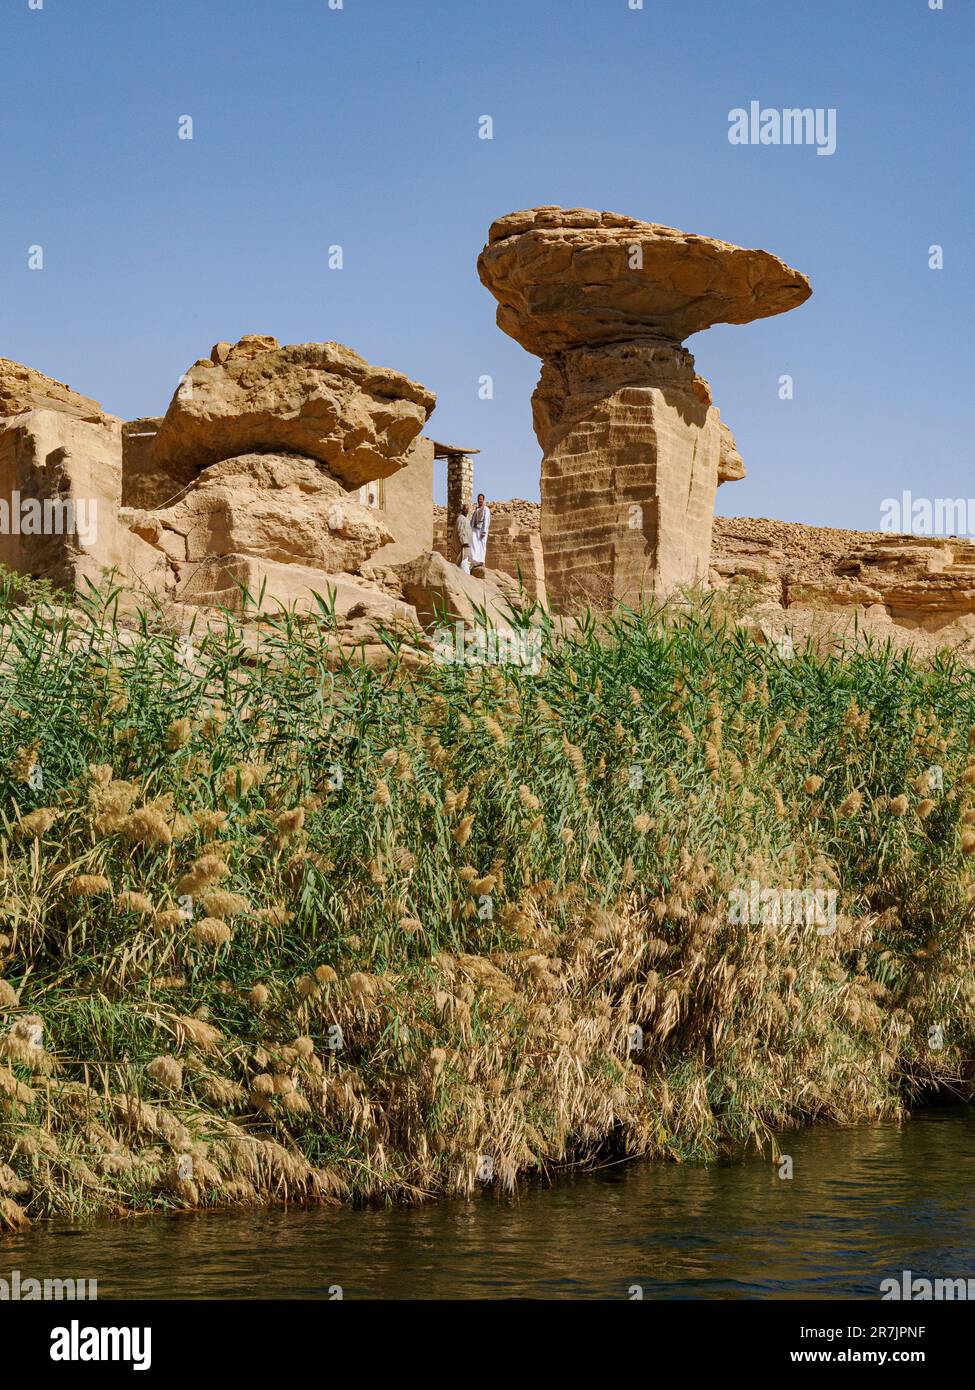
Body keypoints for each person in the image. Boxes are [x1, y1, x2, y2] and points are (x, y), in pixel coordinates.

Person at [470, 494, 491, 570]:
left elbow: (486, 520)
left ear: (483, 500)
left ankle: (482, 561)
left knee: (482, 545)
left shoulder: (486, 509)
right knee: (474, 544)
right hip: (475, 530)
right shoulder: (477, 509)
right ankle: (476, 561)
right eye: (479, 499)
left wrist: (484, 531)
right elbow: (473, 520)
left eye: (481, 499)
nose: (480, 500)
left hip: (481, 530)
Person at [455, 504, 472, 573]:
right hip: (463, 546)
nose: (466, 510)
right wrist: (464, 542)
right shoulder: (461, 518)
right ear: (462, 510)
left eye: (467, 509)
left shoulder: (466, 519)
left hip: (466, 547)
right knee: (463, 566)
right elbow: (460, 531)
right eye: (465, 509)